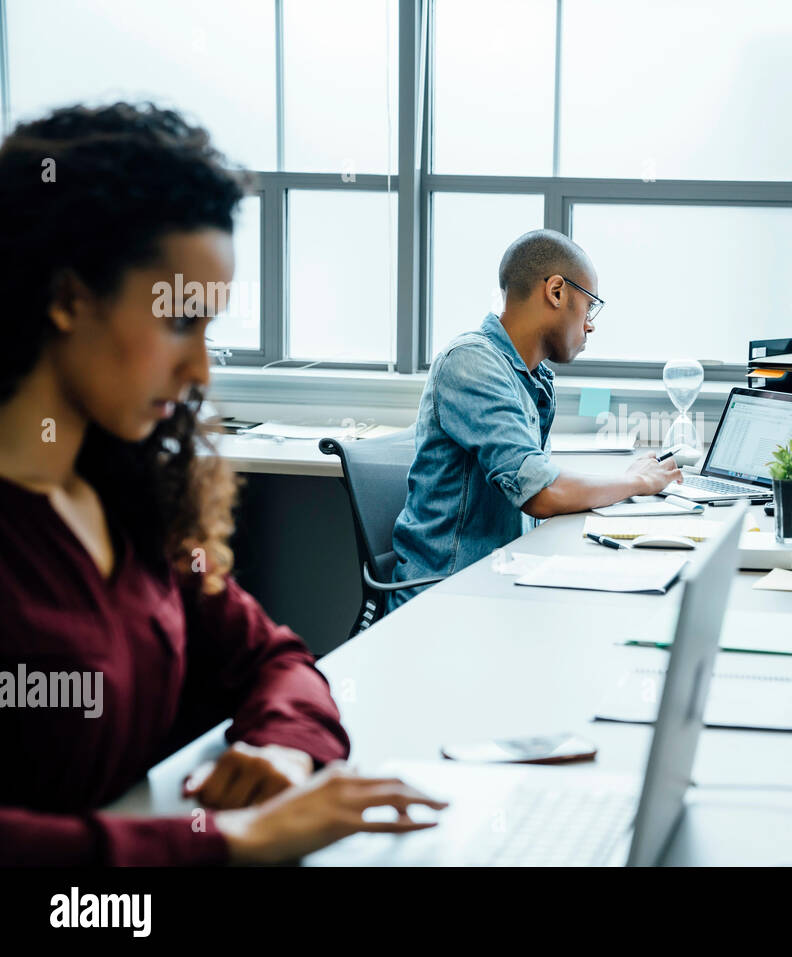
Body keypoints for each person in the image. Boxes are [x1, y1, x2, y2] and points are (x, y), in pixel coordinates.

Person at [0, 102, 445, 865]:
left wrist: (286, 752)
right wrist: (229, 841)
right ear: (70, 297)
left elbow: (275, 659)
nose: (202, 370)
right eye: (180, 322)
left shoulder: (126, 499)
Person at [389, 229, 682, 608]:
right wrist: (636, 482)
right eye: (589, 306)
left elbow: (539, 479)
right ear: (556, 291)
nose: (590, 324)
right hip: (447, 596)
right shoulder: (471, 362)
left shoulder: (533, 376)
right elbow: (541, 493)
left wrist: (627, 481)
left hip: (499, 579)